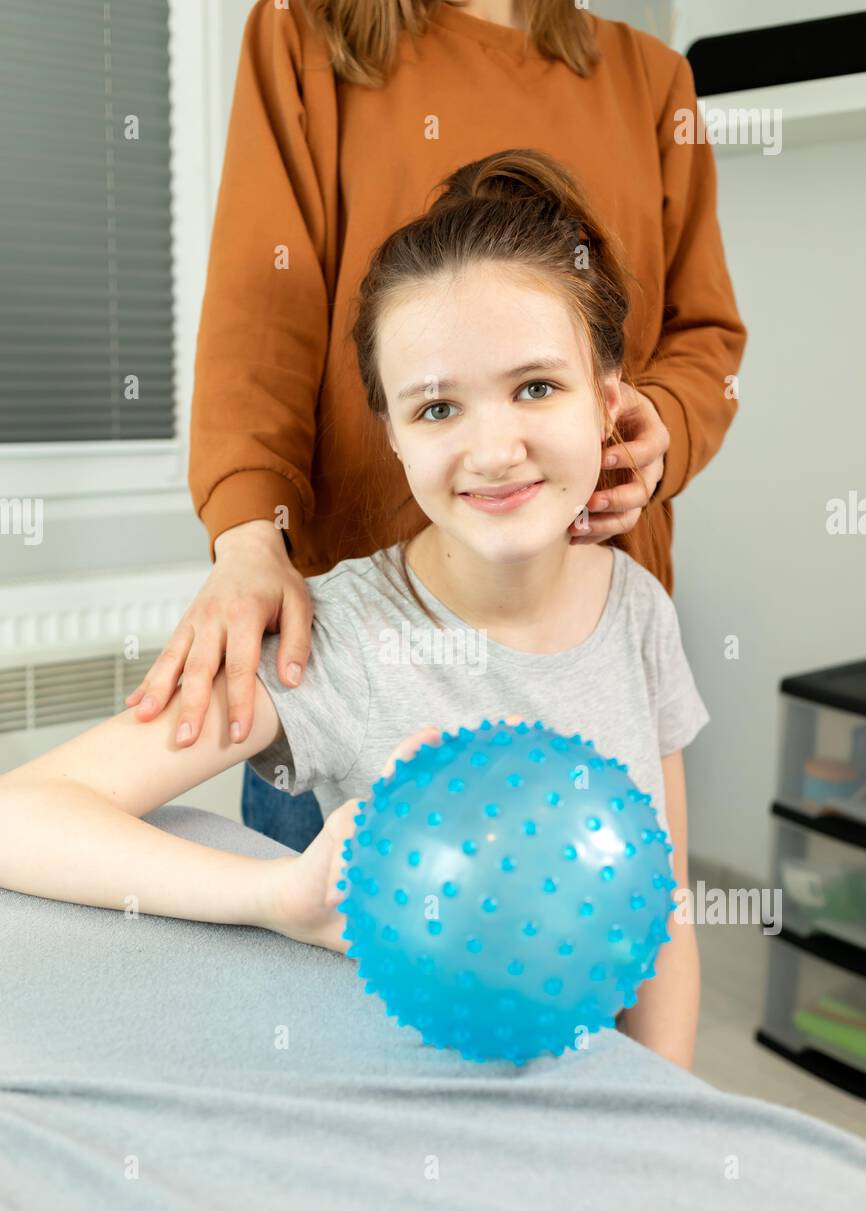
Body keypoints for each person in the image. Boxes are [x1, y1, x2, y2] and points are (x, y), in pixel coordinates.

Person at [0, 149, 707, 1070]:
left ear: (609, 403)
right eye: (438, 409)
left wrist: (667, 1113)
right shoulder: (340, 640)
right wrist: (272, 895)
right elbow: (24, 816)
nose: (494, 450)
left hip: (594, 1094)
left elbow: (669, 908)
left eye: (536, 387)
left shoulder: (643, 614)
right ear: (394, 438)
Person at [122, 0, 746, 855]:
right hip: (362, 651)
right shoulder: (304, 36)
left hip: (583, 632)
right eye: (442, 408)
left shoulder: (650, 77)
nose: (495, 448)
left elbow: (705, 336)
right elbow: (263, 312)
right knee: (336, 961)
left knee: (599, 942)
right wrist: (247, 535)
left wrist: (662, 422)